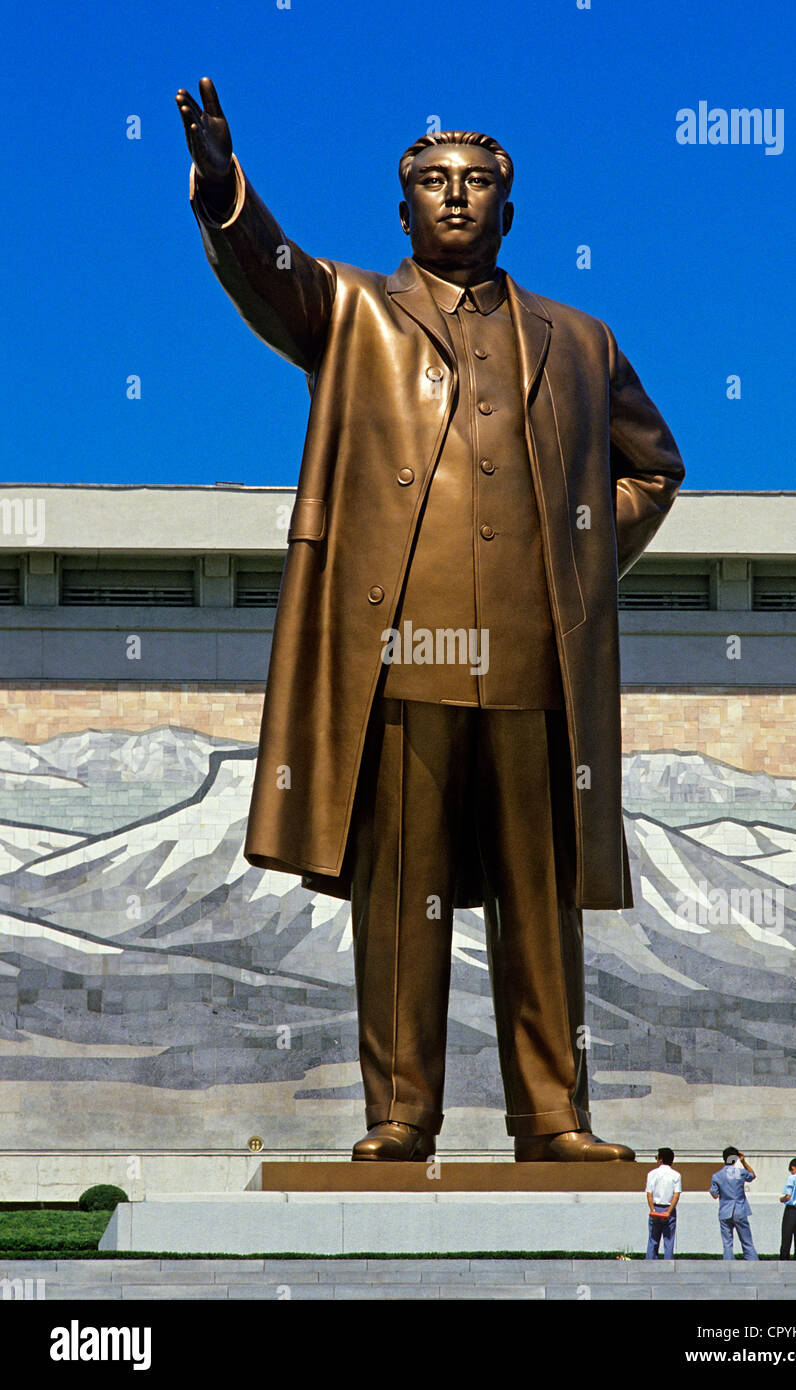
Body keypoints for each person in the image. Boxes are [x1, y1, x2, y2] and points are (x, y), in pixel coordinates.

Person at [176, 78, 685, 1162]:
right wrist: (225, 188)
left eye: (478, 183)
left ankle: (554, 1116)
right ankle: (400, 1112)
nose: (456, 198)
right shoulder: (353, 315)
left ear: (511, 208)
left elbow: (656, 467)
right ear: (401, 211)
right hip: (403, 655)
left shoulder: (580, 342)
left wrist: (581, 549)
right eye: (432, 184)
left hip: (535, 661)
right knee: (402, 894)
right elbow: (275, 278)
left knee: (539, 902)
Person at [710, 1147, 758, 1260]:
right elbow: (753, 1175)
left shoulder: (717, 1175)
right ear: (735, 1159)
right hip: (740, 1209)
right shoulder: (740, 1173)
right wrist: (743, 1161)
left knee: (727, 1243)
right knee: (747, 1242)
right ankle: (753, 1263)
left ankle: (728, 1265)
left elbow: (714, 1194)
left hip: (725, 1211)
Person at [645, 1147, 681, 1259]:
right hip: (668, 1208)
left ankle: (650, 1263)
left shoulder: (652, 1174)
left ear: (660, 1159)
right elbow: (676, 1195)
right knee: (669, 1240)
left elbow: (649, 1194)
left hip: (656, 1207)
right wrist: (669, 1211)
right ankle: (668, 1265)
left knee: (653, 1239)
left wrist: (653, 1210)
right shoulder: (676, 1175)